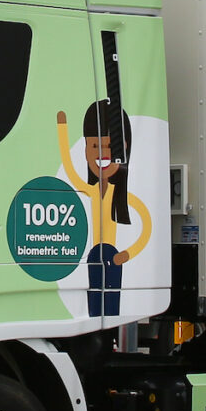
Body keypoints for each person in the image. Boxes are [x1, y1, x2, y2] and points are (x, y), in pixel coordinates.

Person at [57, 101, 154, 317]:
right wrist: (62, 129)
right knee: (94, 294)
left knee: (111, 298)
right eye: (95, 147)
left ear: (125, 148)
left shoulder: (124, 197)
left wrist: (126, 255)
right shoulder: (90, 190)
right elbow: (70, 169)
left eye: (110, 147)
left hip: (112, 255)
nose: (102, 154)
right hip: (95, 254)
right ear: (85, 150)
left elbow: (146, 227)